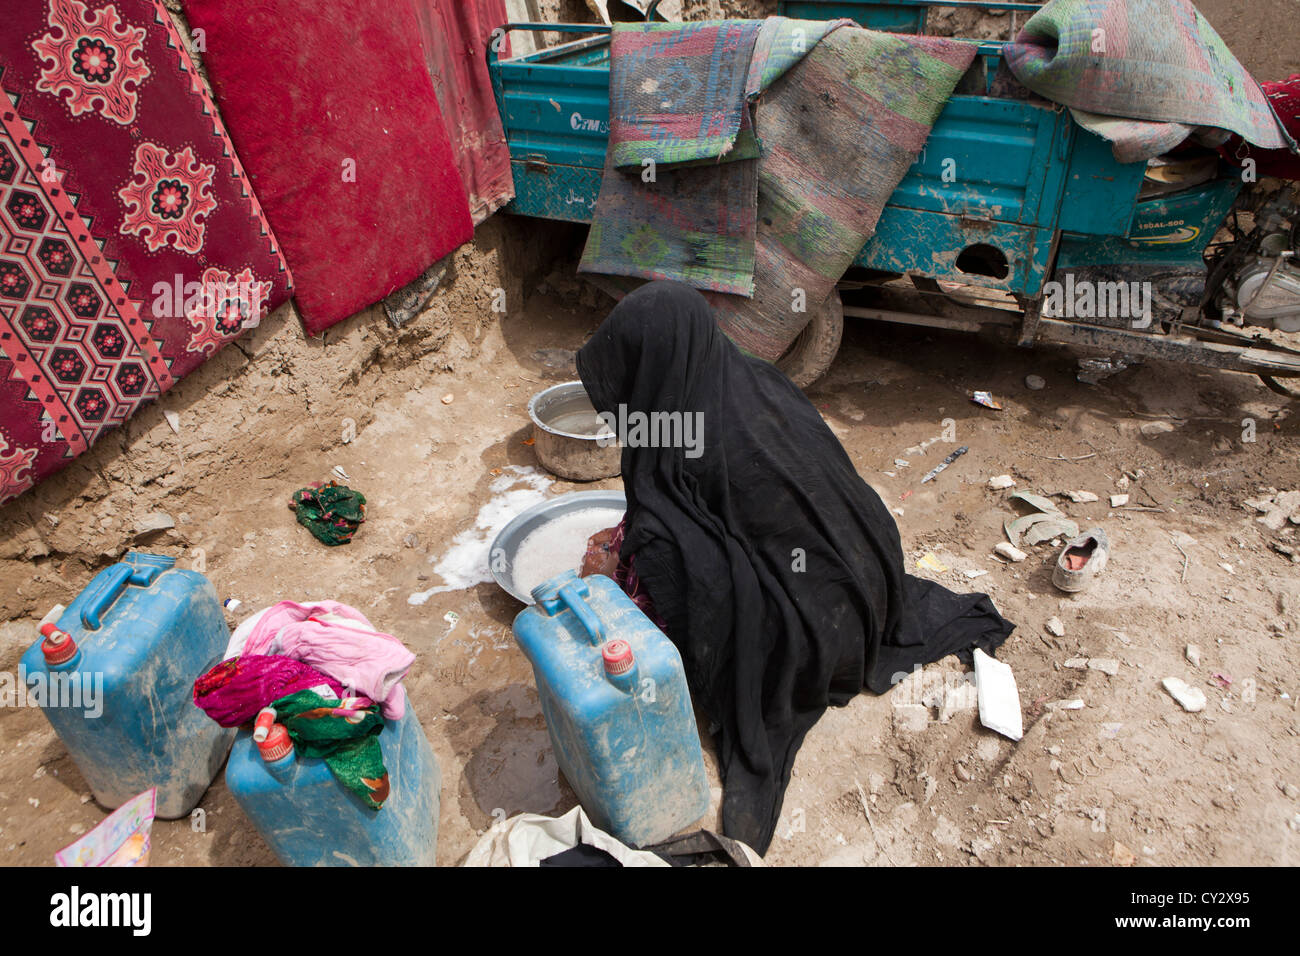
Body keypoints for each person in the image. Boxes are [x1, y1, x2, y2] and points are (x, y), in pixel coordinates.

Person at [575, 280, 1015, 855]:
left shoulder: (688, 440)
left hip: (816, 634)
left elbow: (681, 556)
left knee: (653, 561)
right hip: (868, 582)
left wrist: (618, 565)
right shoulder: (751, 380)